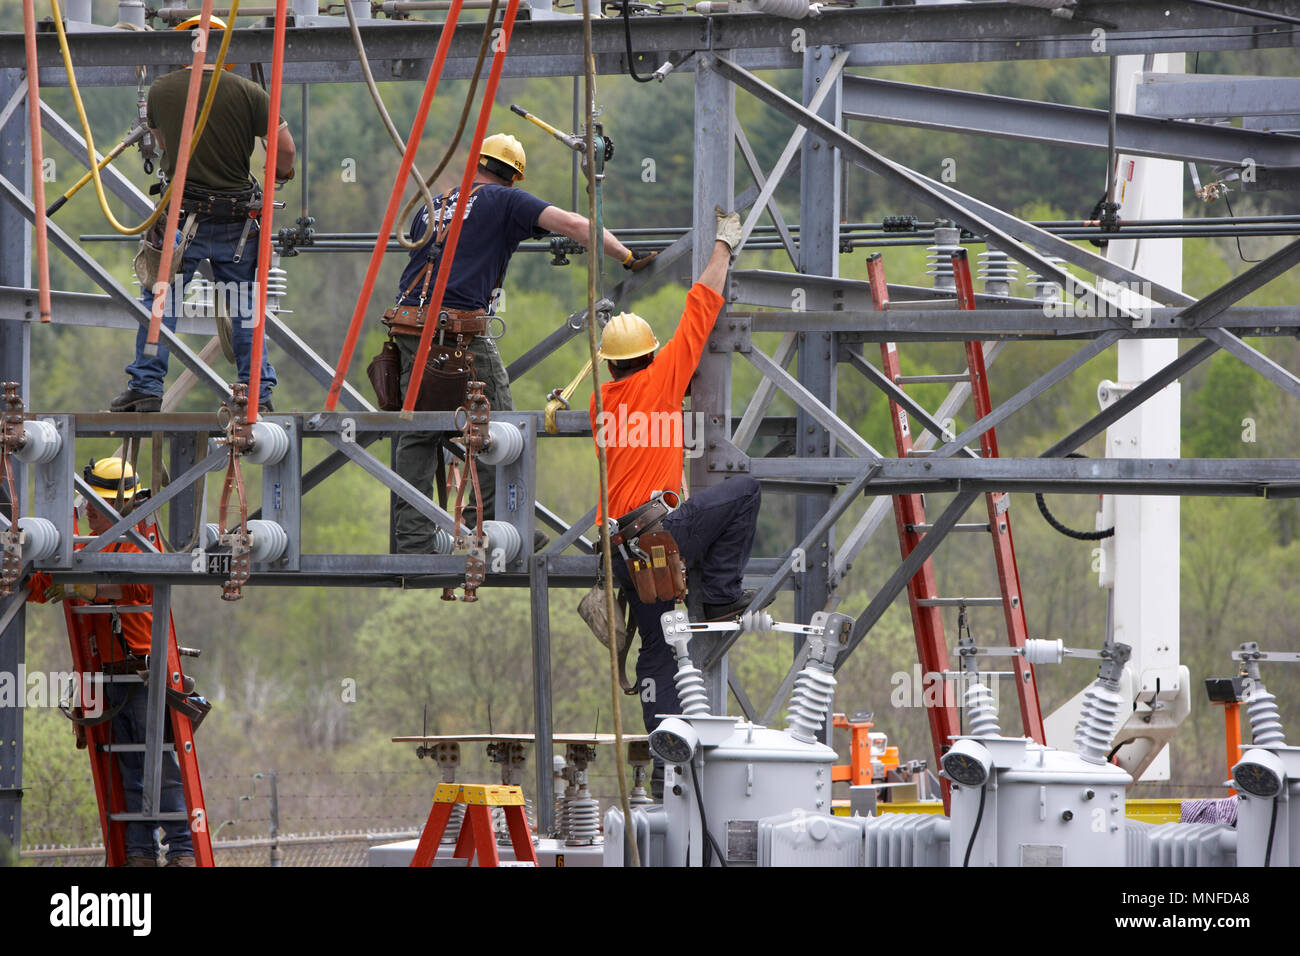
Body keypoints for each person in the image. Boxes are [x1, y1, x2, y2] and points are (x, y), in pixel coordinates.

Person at [388, 132, 655, 554]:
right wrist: (625, 256)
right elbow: (573, 225)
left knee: (418, 433)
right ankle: (494, 531)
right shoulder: (506, 201)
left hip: (407, 329)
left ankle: (412, 539)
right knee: (501, 428)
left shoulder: (433, 205)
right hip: (457, 333)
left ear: (475, 164)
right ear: (513, 178)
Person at [589, 207, 760, 734]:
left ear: (610, 365)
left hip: (619, 549)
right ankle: (724, 595)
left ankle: (665, 757)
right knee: (745, 492)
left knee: (659, 655)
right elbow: (702, 305)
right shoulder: (662, 379)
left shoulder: (601, 403)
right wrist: (724, 247)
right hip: (660, 536)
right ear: (651, 356)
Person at [110, 15, 295, 415]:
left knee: (161, 299)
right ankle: (256, 392)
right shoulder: (249, 93)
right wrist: (280, 174)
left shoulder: (161, 91)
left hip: (182, 215)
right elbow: (285, 150)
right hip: (238, 222)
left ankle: (146, 385)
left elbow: (162, 144)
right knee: (245, 303)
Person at [26, 459, 195, 866]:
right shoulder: (85, 546)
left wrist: (90, 588)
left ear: (118, 508)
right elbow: (42, 586)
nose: (86, 511)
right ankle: (139, 852)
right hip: (110, 680)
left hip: (143, 676)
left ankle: (182, 850)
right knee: (129, 768)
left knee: (161, 766)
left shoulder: (140, 543)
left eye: (95, 506)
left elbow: (140, 586)